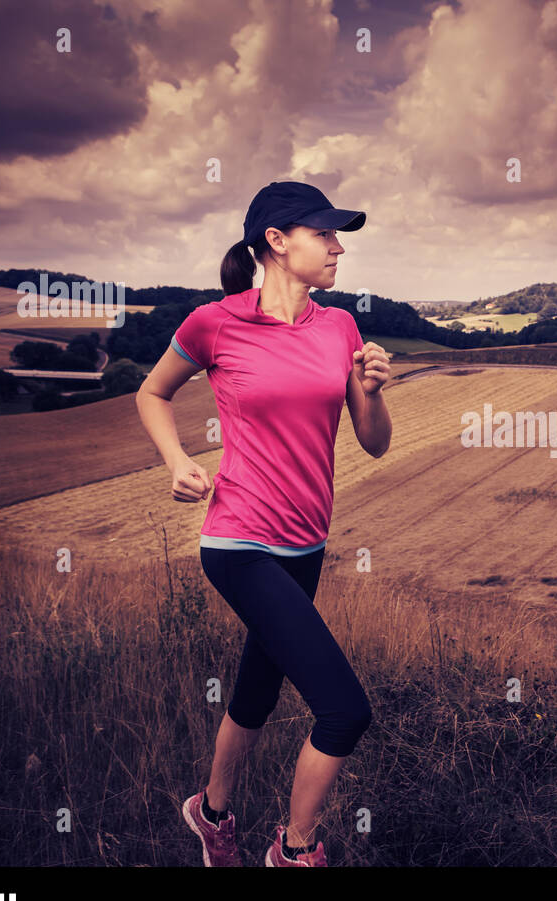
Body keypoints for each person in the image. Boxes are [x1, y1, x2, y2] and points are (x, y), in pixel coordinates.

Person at [135, 181, 392, 866]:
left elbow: (373, 441)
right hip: (238, 541)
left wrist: (369, 392)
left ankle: (211, 814)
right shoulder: (213, 324)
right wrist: (176, 460)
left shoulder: (340, 328)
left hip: (306, 543)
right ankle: (294, 849)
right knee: (344, 711)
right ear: (277, 242)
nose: (339, 247)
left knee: (256, 689)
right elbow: (153, 391)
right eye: (325, 234)